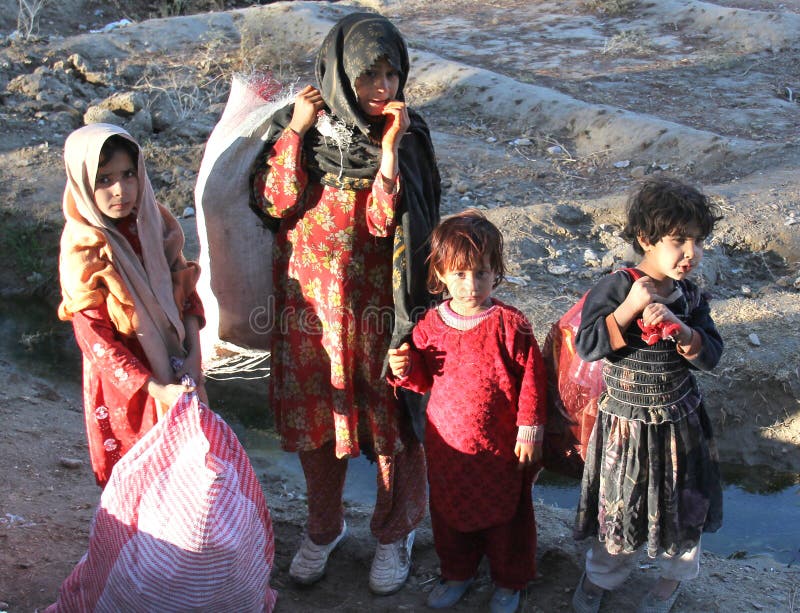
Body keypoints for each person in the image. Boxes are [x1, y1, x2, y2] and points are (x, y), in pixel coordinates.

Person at [250, 12, 440, 595]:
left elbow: (388, 225)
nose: (383, 88)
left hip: (376, 315)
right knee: (317, 425)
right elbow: (276, 203)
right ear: (339, 74)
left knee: (390, 429)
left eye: (391, 74)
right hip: (309, 313)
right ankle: (324, 528)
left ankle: (394, 534)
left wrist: (389, 152)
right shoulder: (301, 127)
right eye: (369, 75)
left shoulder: (405, 135)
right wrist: (295, 130)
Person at [571, 177, 724, 613]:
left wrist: (685, 333)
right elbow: (587, 345)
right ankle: (602, 576)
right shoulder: (617, 287)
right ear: (646, 239)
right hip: (625, 427)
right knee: (619, 506)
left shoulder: (690, 297)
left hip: (680, 426)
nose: (691, 252)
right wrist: (628, 309)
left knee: (685, 506)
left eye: (698, 241)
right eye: (678, 241)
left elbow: (711, 354)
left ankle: (670, 581)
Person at [388, 211, 547, 613]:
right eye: (459, 274)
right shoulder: (430, 325)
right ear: (440, 274)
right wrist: (404, 367)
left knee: (507, 516)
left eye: (481, 273)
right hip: (448, 447)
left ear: (496, 272)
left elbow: (533, 379)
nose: (471, 285)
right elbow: (421, 380)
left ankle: (509, 581)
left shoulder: (511, 324)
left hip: (502, 449)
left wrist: (529, 429)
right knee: (449, 514)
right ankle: (457, 573)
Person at [58, 123, 205, 488]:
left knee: (190, 476)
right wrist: (156, 388)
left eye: (128, 175)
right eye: (104, 180)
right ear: (82, 183)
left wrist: (194, 358)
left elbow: (185, 291)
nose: (120, 190)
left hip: (177, 366)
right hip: (128, 385)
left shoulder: (154, 224)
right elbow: (96, 342)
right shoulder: (84, 247)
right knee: (139, 478)